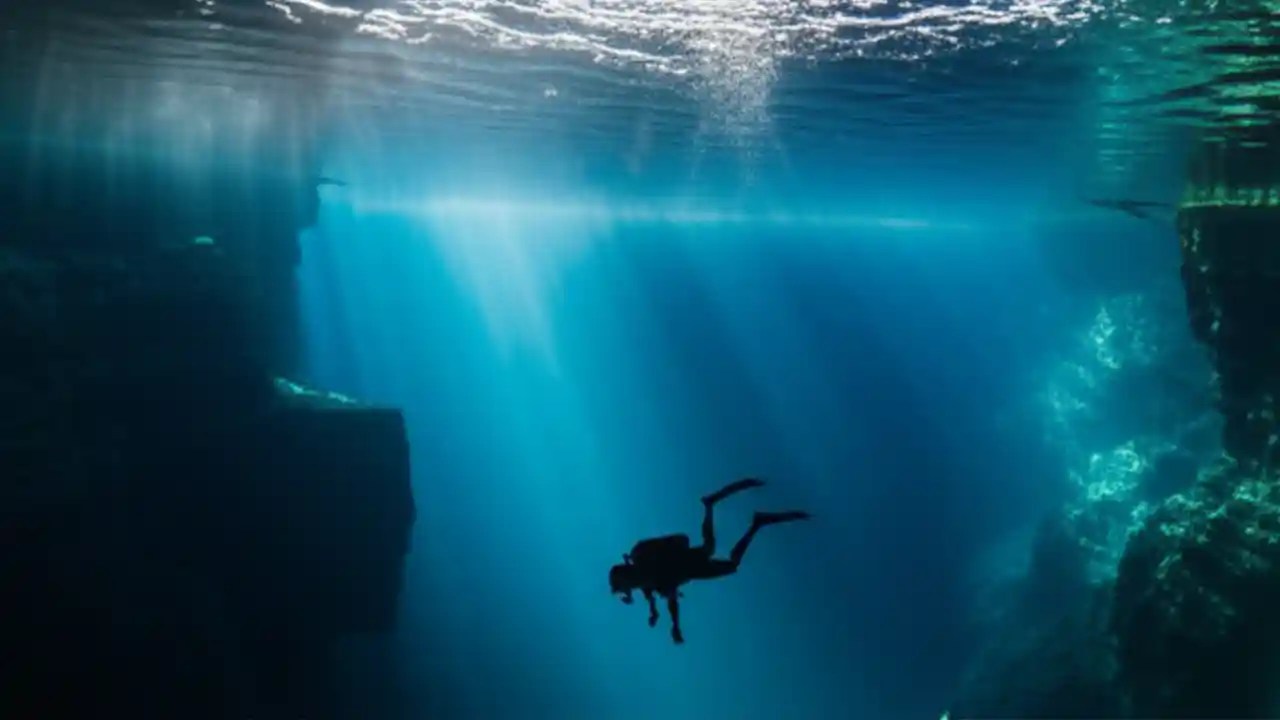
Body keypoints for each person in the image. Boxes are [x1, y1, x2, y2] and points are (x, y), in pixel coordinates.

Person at [609, 478, 810, 644]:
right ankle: (740, 517)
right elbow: (659, 597)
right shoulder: (644, 578)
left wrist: (673, 624)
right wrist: (660, 616)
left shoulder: (646, 575)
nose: (627, 590)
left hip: (687, 567)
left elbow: (668, 597)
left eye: (623, 586)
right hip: (687, 567)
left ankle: (741, 517)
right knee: (716, 552)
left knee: (720, 556)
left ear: (625, 579)